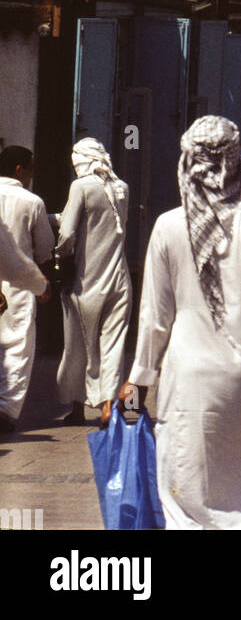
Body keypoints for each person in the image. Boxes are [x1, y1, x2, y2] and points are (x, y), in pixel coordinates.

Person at [118, 116, 241, 530]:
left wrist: (136, 391)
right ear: (236, 162)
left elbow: (155, 318)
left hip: (187, 385)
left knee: (187, 497)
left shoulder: (168, 228)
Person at [56, 139, 132, 428]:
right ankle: (108, 405)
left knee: (78, 347)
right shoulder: (121, 187)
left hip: (87, 282)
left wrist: (59, 255)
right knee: (113, 344)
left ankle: (78, 408)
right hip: (120, 278)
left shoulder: (81, 186)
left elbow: (67, 233)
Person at [0, 147, 54, 434]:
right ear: (20, 170)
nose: (33, 175)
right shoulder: (31, 201)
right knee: (17, 345)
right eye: (31, 169)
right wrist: (42, 282)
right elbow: (44, 249)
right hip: (17, 283)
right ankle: (6, 410)